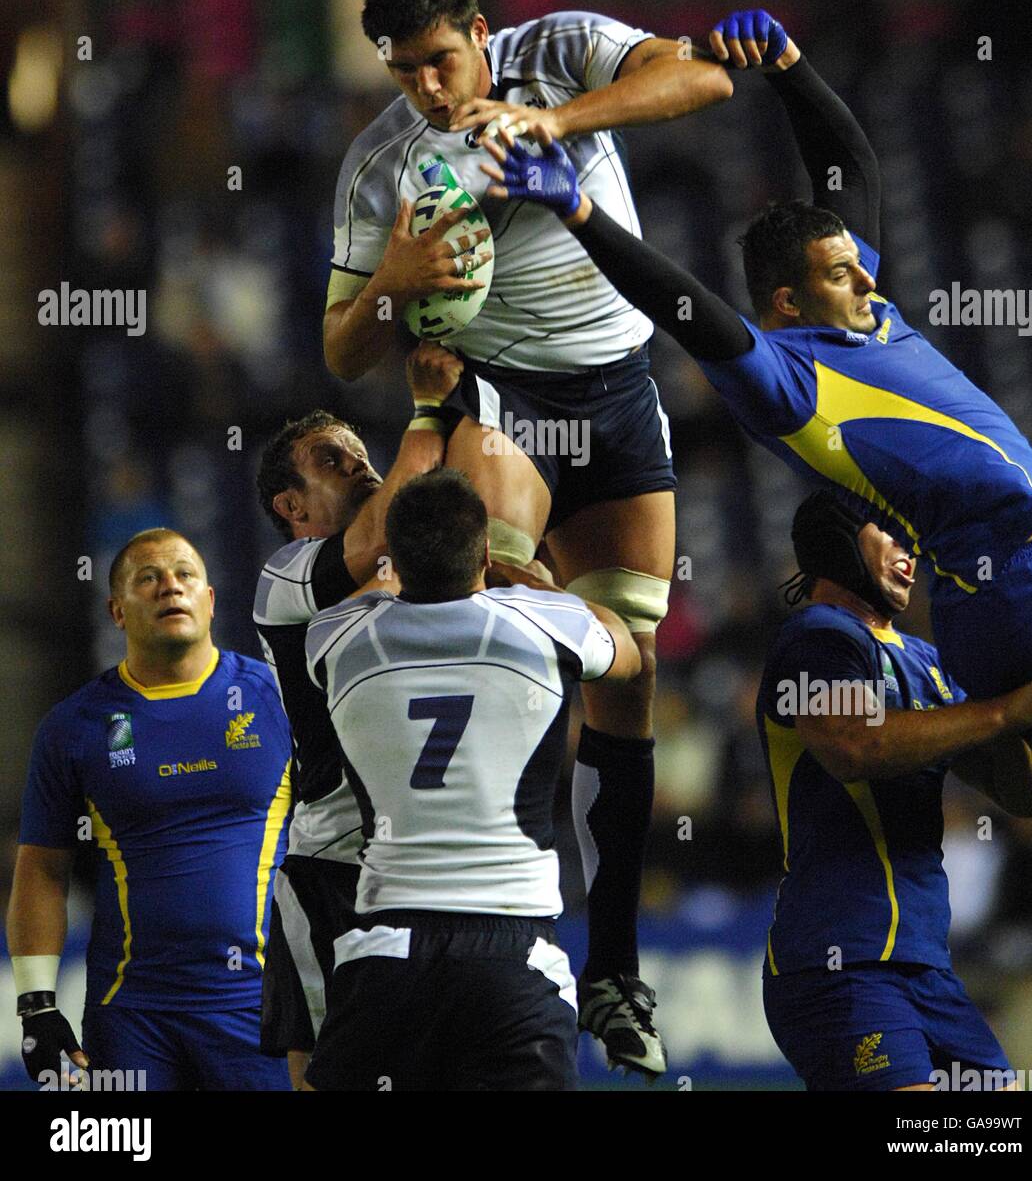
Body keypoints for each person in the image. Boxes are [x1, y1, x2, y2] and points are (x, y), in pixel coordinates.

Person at [321, 0, 739, 1071]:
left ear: (484, 35)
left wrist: (550, 124)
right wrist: (395, 276)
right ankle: (483, 917)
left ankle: (609, 968)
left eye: (441, 60)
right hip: (504, 396)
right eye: (403, 70)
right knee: (493, 608)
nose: (425, 86)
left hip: (620, 392)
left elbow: (701, 81)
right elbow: (340, 346)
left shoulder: (556, 53)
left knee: (631, 674)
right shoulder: (383, 160)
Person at [478, 9, 1032, 741]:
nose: (865, 276)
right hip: (1021, 579)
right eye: (840, 271)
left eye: (857, 263)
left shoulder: (864, 309)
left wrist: (790, 67)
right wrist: (578, 209)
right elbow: (680, 302)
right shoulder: (786, 379)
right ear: (787, 301)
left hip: (1005, 587)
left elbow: (852, 169)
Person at [300, 467, 642, 1091]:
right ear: (484, 551)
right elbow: (624, 649)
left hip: (387, 953)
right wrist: (533, 581)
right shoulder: (545, 624)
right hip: (515, 956)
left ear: (394, 560)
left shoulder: (334, 638)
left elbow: (349, 605)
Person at [756, 489, 1032, 1091]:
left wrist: (1005, 692)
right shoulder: (817, 640)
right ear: (839, 544)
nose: (910, 551)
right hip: (839, 961)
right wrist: (1001, 711)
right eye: (891, 534)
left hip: (927, 969)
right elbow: (854, 747)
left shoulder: (928, 661)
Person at [8, 529, 292, 1091]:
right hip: (130, 1016)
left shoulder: (279, 698)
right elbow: (42, 868)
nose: (170, 587)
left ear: (210, 600)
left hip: (261, 1007)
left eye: (185, 574)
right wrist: (37, 1009)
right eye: (148, 578)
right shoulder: (74, 726)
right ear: (116, 610)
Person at [253, 342, 463, 1088]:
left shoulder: (424, 575)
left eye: (360, 453)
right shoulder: (284, 580)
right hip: (332, 869)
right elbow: (373, 535)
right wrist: (429, 410)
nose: (361, 465)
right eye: (332, 462)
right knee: (328, 1076)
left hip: (435, 868)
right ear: (293, 507)